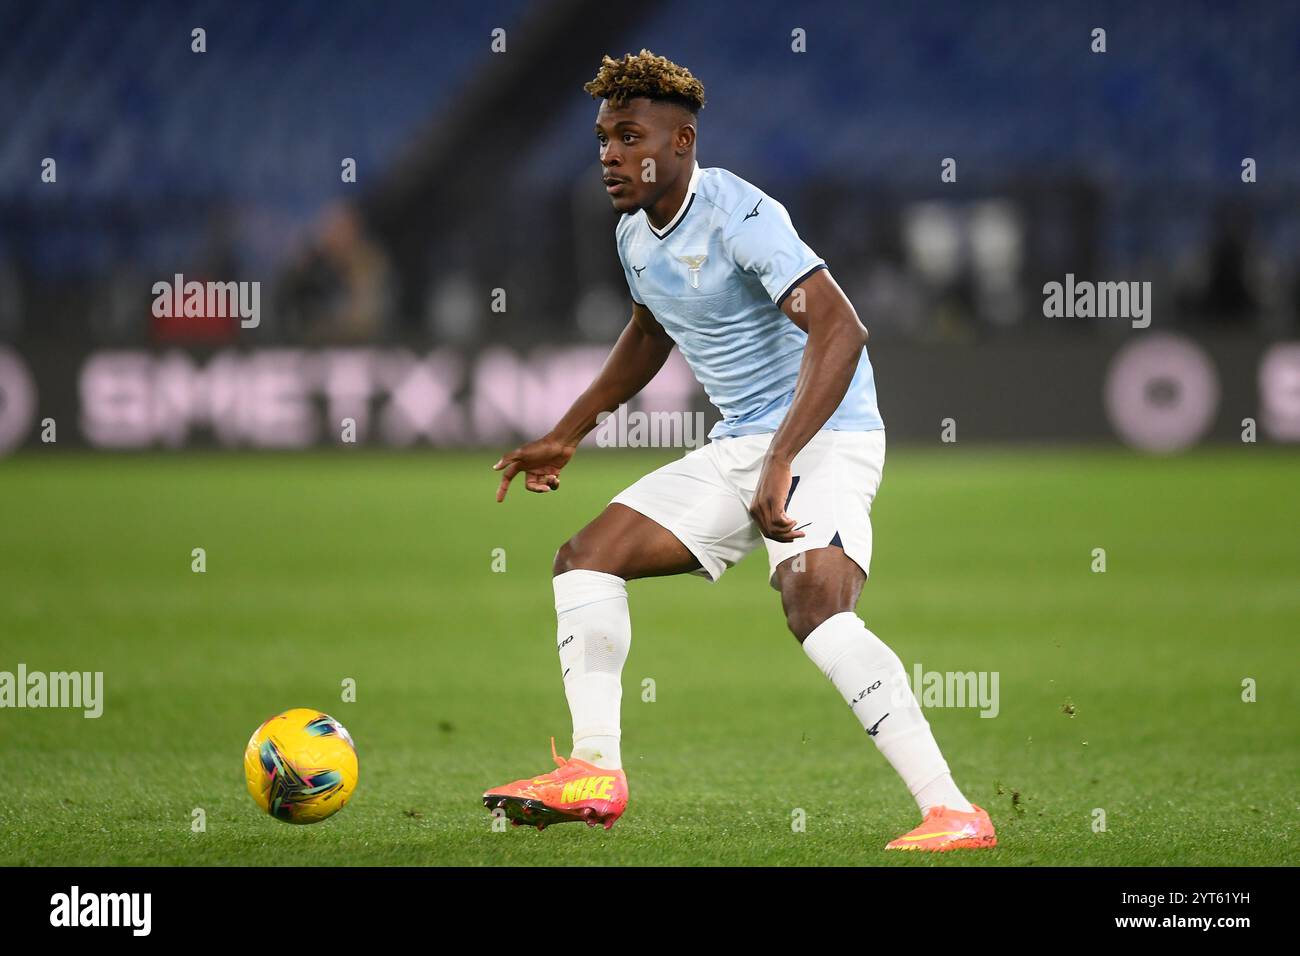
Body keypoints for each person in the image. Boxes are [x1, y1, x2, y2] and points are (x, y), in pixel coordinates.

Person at [483, 50, 994, 851]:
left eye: (629, 136)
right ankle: (595, 771)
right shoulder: (633, 238)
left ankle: (953, 810)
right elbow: (650, 332)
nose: (610, 155)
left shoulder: (742, 214)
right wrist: (566, 432)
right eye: (601, 140)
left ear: (681, 142)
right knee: (585, 559)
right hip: (745, 444)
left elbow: (841, 328)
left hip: (826, 436)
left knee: (814, 608)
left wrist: (785, 457)